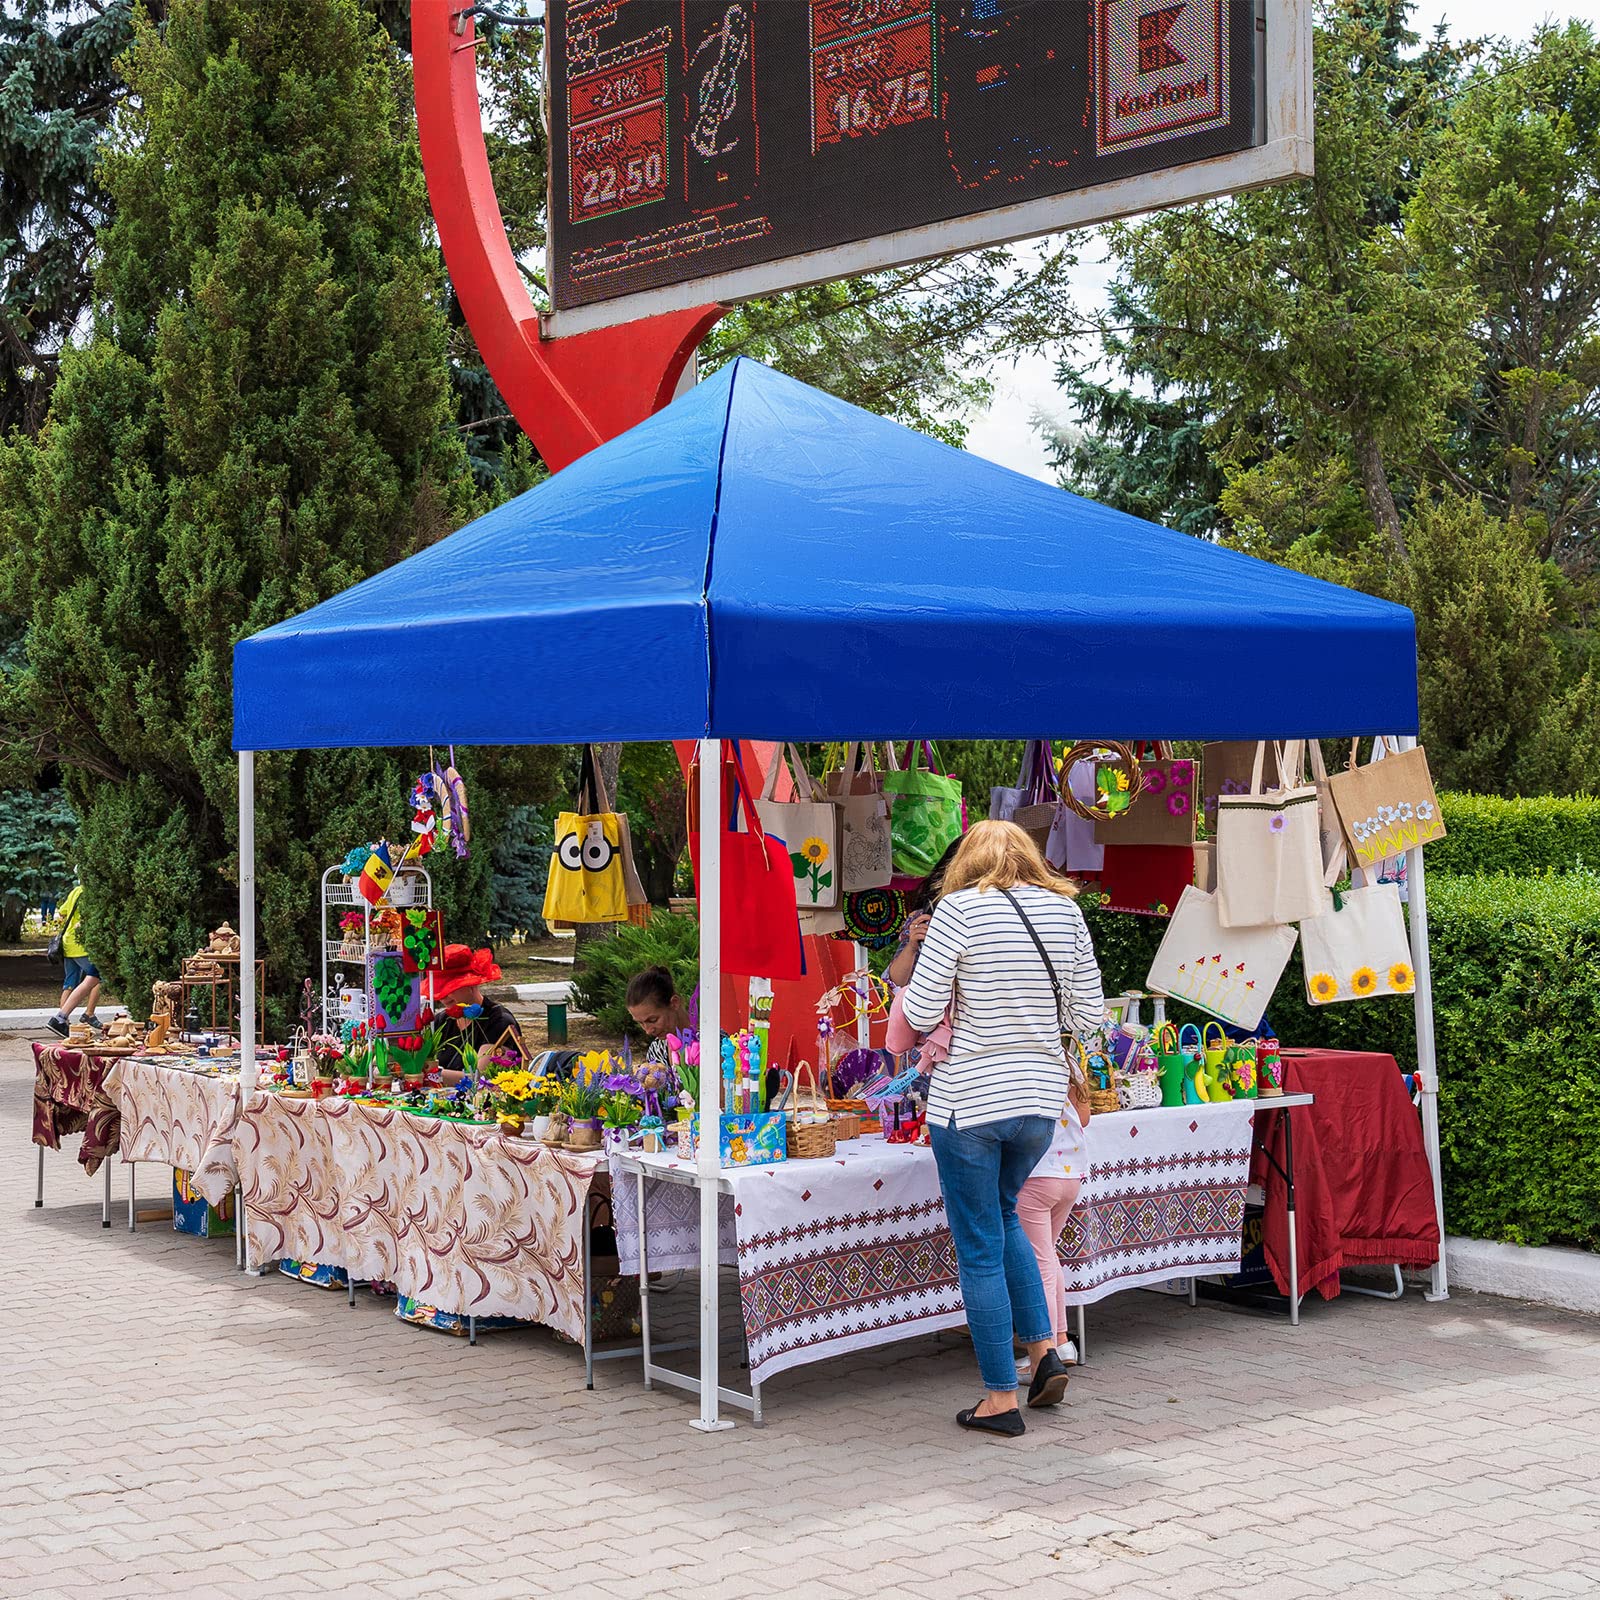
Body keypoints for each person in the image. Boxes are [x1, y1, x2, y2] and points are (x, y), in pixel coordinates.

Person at [902, 820, 1104, 1437]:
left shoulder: (958, 911)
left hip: (970, 1103)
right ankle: (1044, 1352)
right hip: (1040, 1105)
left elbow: (915, 1011)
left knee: (980, 1245)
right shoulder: (1067, 914)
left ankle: (998, 1397)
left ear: (967, 859)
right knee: (1008, 1214)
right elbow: (1090, 1016)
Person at [429, 945, 523, 1075]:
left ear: (471, 984)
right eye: (439, 989)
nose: (443, 997)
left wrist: (432, 1074)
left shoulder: (499, 1020)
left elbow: (481, 1077)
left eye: (450, 989)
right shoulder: (442, 1020)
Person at [47, 883, 102, 1040]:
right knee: (97, 977)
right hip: (80, 945)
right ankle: (88, 1013)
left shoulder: (75, 891)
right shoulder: (90, 892)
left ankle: (63, 1020)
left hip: (68, 942)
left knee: (70, 982)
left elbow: (63, 912)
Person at [626, 967, 691, 1065]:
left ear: (674, 1003)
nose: (648, 1031)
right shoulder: (657, 1050)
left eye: (653, 1020)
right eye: (640, 1023)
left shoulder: (713, 1043)